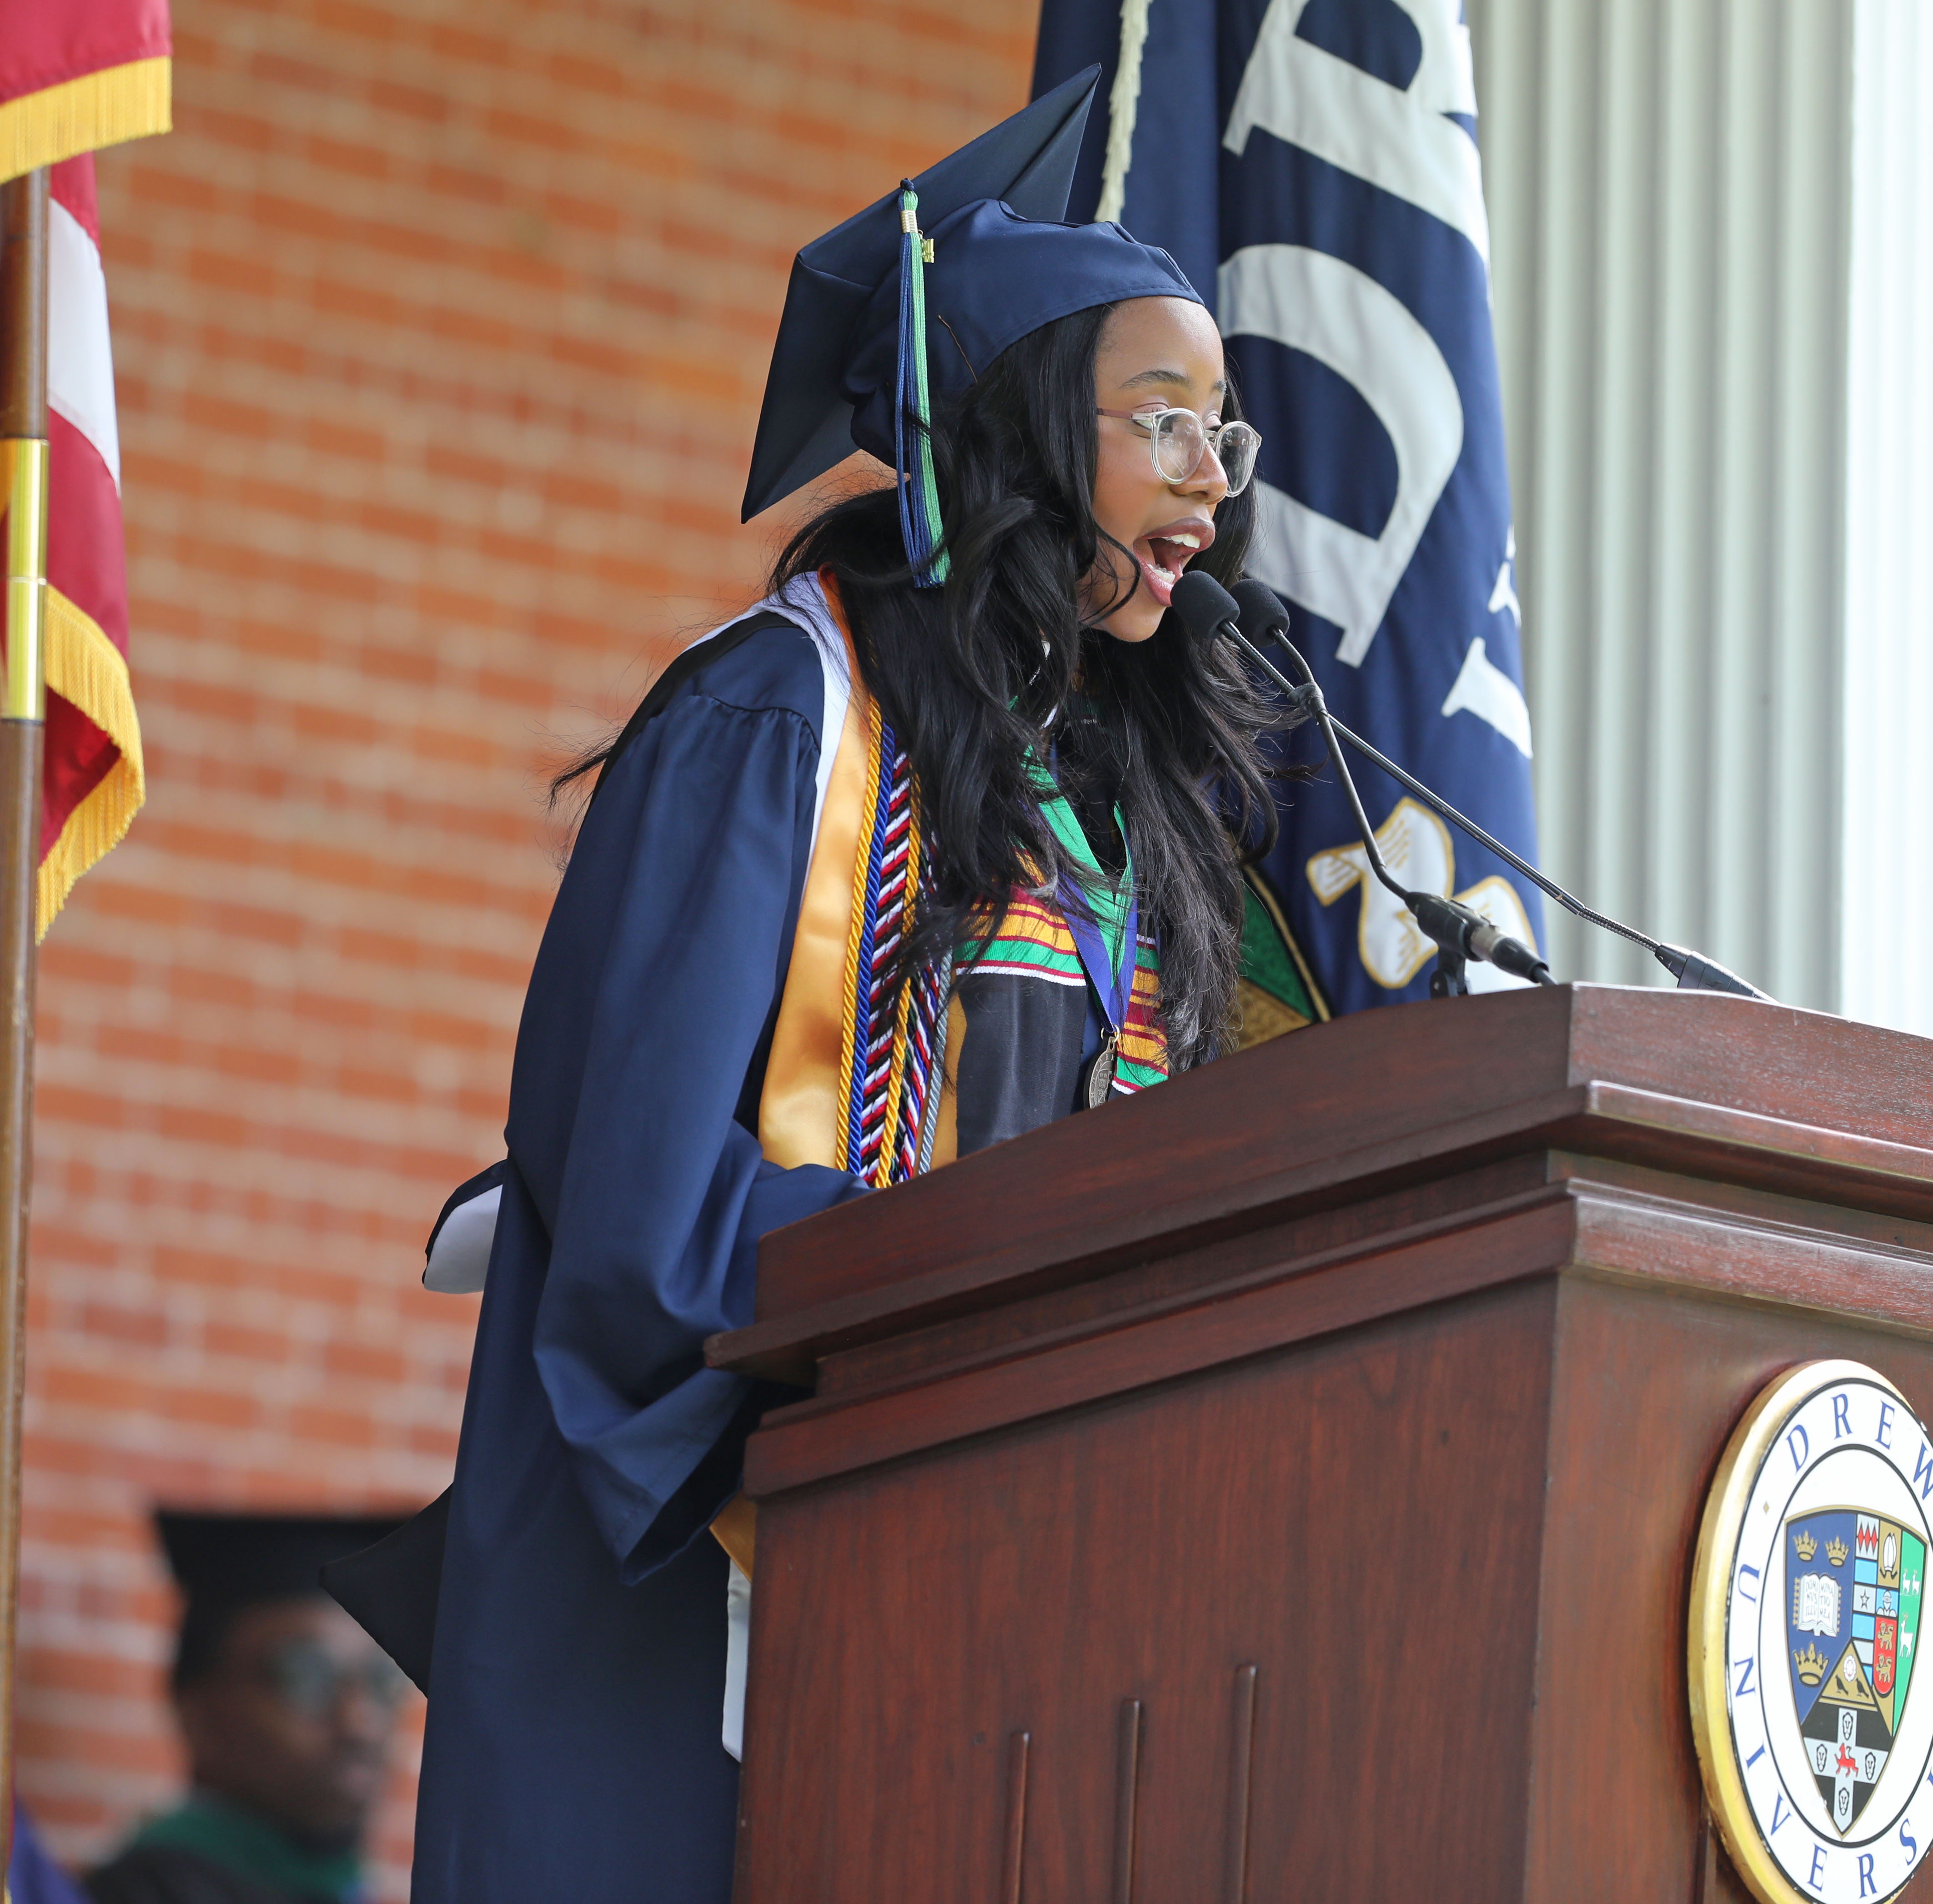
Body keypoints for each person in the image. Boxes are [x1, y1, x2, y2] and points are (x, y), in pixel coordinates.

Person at [402, 67, 1277, 1904]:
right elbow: (638, 1204)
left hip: (1004, 1572)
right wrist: (973, 1307)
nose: (1216, 472)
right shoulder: (772, 715)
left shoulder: (1112, 809)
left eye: (1228, 432)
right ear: (1024, 432)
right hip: (717, 1579)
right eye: (1167, 419)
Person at [85, 1513, 409, 1904]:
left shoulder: (347, 1888)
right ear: (198, 1718)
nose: (361, 1722)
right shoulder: (151, 1889)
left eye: (382, 1680)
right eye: (307, 1677)